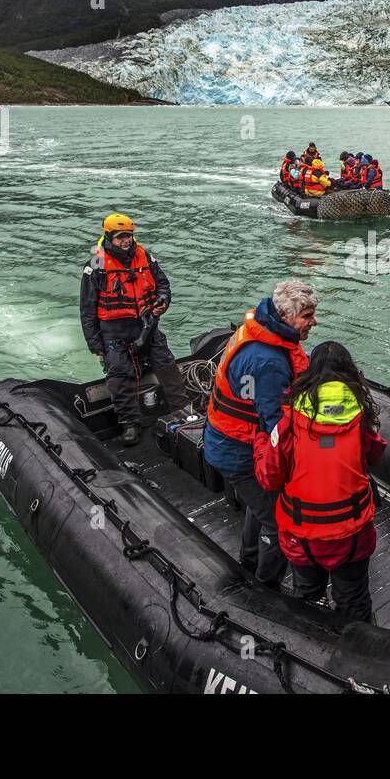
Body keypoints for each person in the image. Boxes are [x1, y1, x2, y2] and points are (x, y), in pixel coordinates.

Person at [256, 341, 385, 621]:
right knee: (355, 600)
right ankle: (361, 648)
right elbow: (375, 454)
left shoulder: (287, 421)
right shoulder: (361, 416)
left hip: (301, 536)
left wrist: (260, 442)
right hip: (352, 535)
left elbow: (269, 477)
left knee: (306, 598)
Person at [204, 281, 317, 587]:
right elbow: (275, 425)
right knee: (280, 522)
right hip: (238, 450)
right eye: (307, 315)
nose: (313, 322)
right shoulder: (267, 361)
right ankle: (266, 587)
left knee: (262, 504)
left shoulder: (260, 332)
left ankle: (249, 560)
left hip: (227, 441)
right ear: (286, 316)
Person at [79, 214, 189, 445]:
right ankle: (130, 424)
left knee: (167, 366)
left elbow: (163, 285)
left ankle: (183, 410)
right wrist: (95, 343)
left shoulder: (146, 257)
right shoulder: (96, 266)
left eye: (128, 235)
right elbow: (87, 308)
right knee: (119, 378)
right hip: (114, 332)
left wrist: (162, 302)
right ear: (109, 237)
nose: (126, 241)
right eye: (120, 237)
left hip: (147, 325)